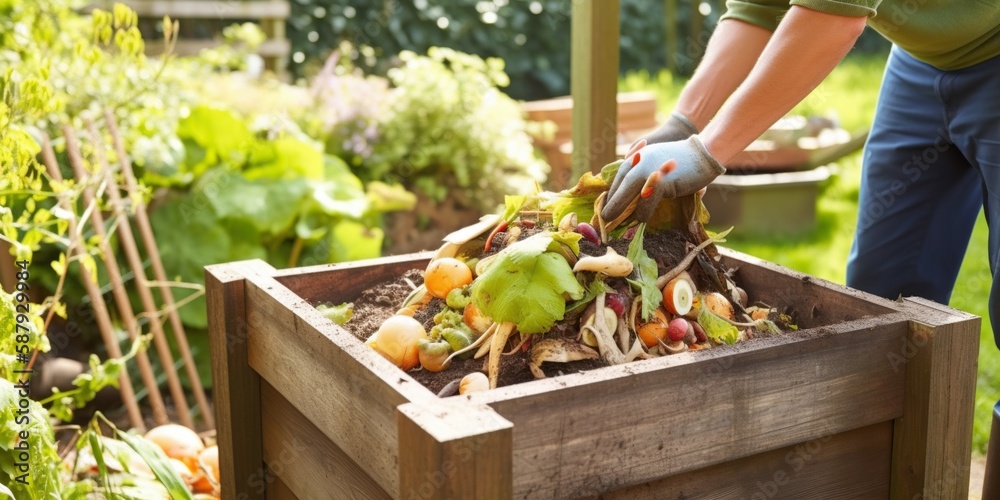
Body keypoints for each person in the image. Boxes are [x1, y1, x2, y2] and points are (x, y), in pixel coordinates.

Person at [601, 1, 1000, 342]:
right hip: (920, 59)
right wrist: (686, 123)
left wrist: (705, 153)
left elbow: (832, 16)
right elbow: (759, 10)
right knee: (882, 298)